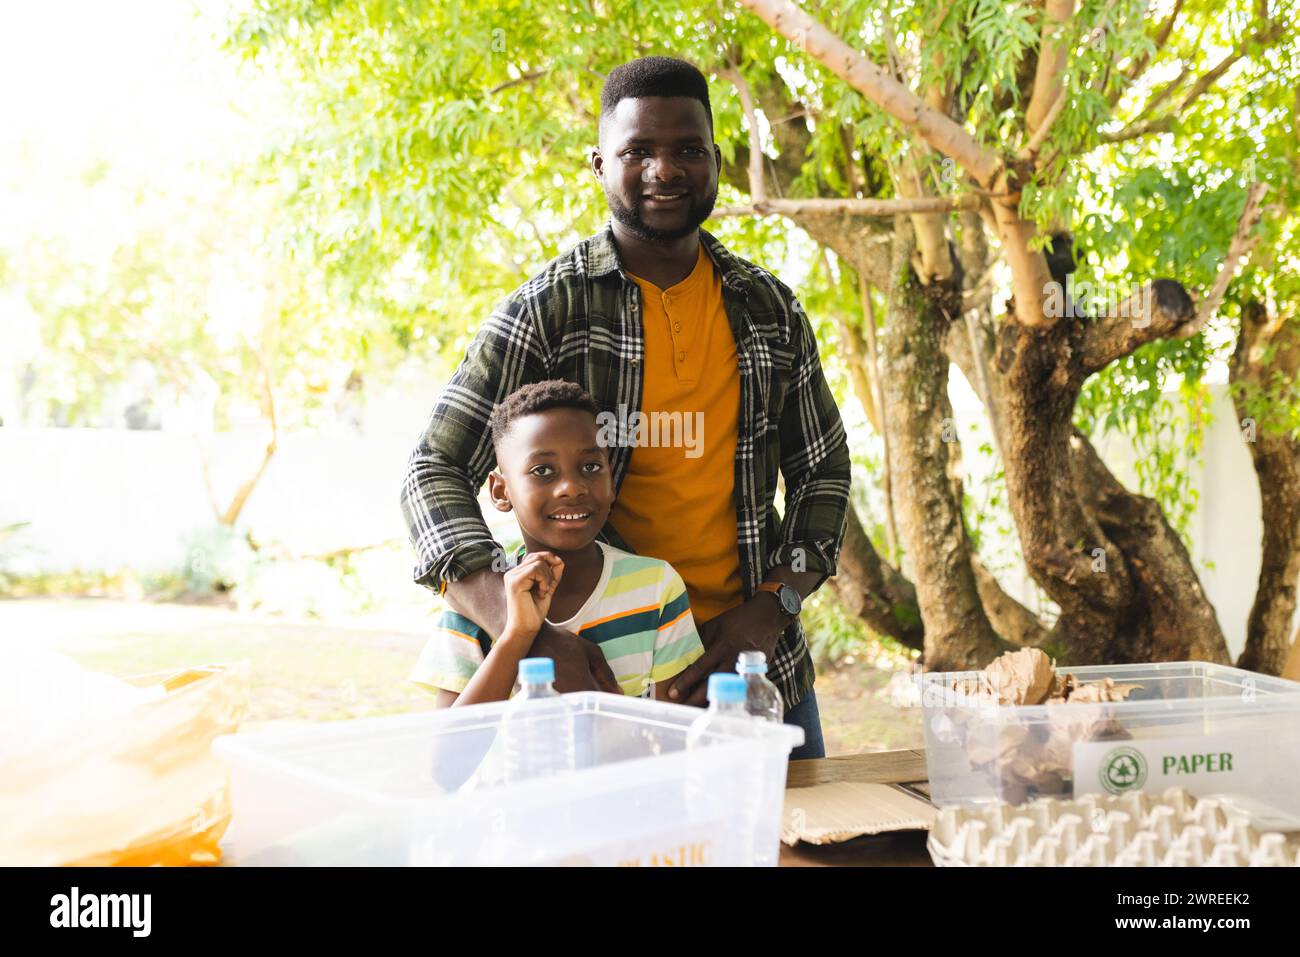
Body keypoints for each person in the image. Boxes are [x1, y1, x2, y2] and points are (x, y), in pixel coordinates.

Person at [401, 56, 850, 758]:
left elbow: (822, 471)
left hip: (756, 674)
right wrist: (533, 636)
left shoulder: (769, 309)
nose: (664, 170)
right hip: (606, 680)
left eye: (687, 150)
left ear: (718, 161)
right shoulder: (549, 309)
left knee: (790, 854)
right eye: (637, 150)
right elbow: (431, 468)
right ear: (598, 164)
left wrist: (771, 610)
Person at [410, 381, 704, 705]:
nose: (571, 487)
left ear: (612, 479)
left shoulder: (656, 588)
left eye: (591, 467)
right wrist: (517, 636)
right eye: (543, 470)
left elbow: (674, 737)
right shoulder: (475, 605)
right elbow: (451, 754)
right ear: (500, 491)